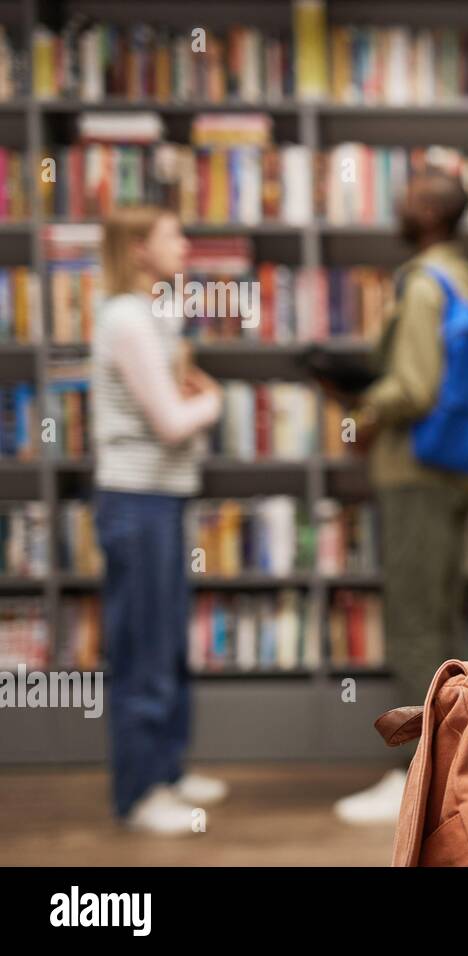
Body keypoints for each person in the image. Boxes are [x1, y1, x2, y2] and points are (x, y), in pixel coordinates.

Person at [333, 168, 468, 825]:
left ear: (428, 210)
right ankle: (452, 773)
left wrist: (360, 412)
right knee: (440, 615)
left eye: (406, 194)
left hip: (417, 468)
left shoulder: (424, 283)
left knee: (414, 623)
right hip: (457, 466)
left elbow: (416, 386)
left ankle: (419, 778)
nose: (396, 203)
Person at [93, 206, 228, 835]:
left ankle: (168, 771)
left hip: (162, 497)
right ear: (140, 249)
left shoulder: (153, 315)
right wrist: (215, 404)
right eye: (174, 235)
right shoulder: (125, 318)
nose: (185, 244)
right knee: (143, 647)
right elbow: (172, 421)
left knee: (168, 642)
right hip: (136, 499)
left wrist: (191, 399)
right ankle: (140, 791)